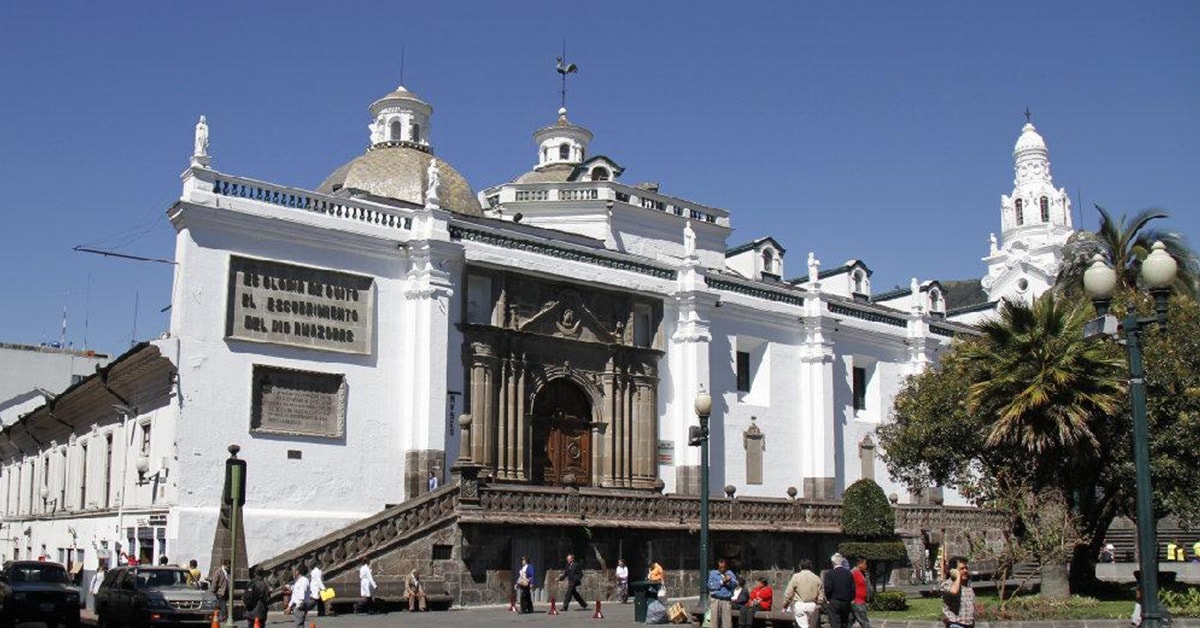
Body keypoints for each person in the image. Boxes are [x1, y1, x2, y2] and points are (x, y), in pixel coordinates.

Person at [781, 558, 822, 628]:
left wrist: (785, 605)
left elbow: (788, 593)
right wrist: (819, 603)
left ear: (800, 566)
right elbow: (820, 594)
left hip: (800, 605)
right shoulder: (816, 578)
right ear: (811, 566)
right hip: (812, 605)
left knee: (803, 626)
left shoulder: (796, 577)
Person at [941, 556, 975, 628]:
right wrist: (957, 576)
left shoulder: (968, 587)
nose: (965, 571)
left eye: (966, 568)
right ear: (953, 571)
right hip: (955, 624)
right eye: (962, 568)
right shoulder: (947, 584)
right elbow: (954, 591)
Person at [822, 553, 854, 628]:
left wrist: (828, 599)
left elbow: (828, 589)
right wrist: (850, 599)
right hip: (846, 601)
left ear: (832, 562)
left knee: (835, 623)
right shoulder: (848, 573)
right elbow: (852, 589)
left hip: (834, 601)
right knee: (844, 623)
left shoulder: (830, 574)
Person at [707, 557, 736, 628]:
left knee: (727, 622)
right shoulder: (713, 573)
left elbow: (735, 585)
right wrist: (722, 582)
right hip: (715, 600)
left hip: (726, 600)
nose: (723, 568)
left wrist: (729, 581)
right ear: (718, 566)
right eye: (721, 567)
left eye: (724, 567)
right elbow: (711, 585)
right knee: (714, 622)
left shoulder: (730, 573)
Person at [851, 557, 872, 628]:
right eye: (865, 564)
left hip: (862, 601)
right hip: (857, 601)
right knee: (864, 622)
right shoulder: (853, 573)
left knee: (850, 621)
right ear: (859, 564)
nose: (866, 566)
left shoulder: (863, 573)